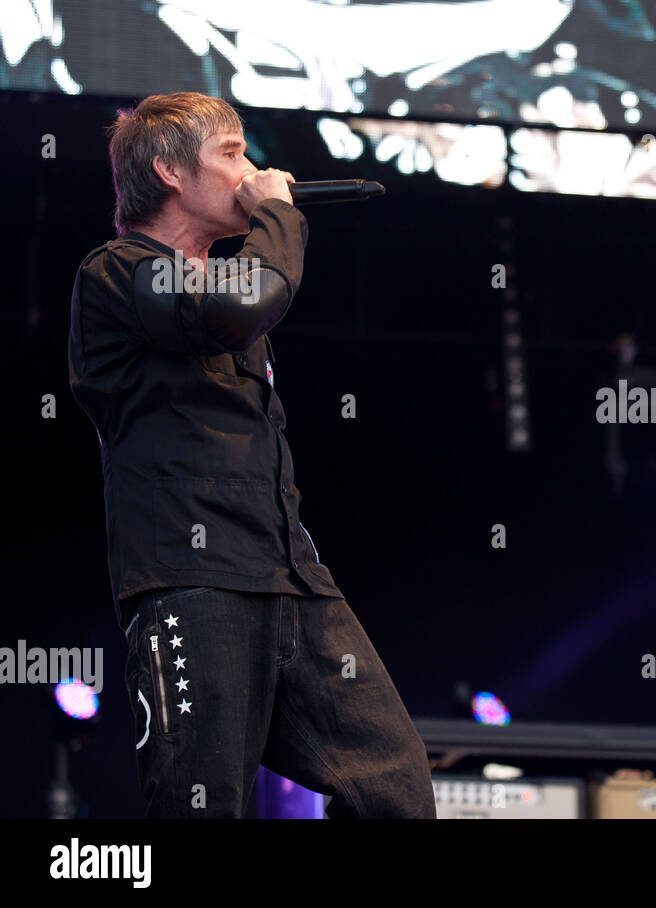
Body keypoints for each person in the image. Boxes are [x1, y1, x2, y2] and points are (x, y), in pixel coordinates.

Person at [67, 91, 437, 818]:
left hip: (291, 577)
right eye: (233, 154)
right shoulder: (117, 273)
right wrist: (279, 215)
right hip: (190, 577)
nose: (254, 171)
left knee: (394, 786)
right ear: (171, 171)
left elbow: (242, 304)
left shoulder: (228, 294)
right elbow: (240, 303)